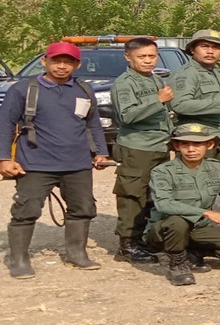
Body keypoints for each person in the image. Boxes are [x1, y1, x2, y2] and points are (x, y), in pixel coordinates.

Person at [1, 42, 111, 278]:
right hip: (35, 163)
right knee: (25, 211)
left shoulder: (83, 89)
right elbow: (5, 125)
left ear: (77, 64)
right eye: (56, 61)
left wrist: (100, 152)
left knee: (83, 209)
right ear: (44, 61)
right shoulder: (22, 89)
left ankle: (76, 254)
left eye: (69, 62)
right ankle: (18, 259)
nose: (62, 66)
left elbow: (93, 123)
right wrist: (3, 159)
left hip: (78, 164)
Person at [145, 123, 220, 285]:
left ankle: (194, 252)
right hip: (165, 231)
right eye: (185, 144)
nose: (191, 149)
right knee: (178, 221)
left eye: (197, 144)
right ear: (176, 146)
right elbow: (164, 204)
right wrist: (206, 213)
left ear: (209, 145)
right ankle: (178, 264)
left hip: (199, 229)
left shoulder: (216, 169)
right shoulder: (163, 171)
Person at [109, 37, 173, 264]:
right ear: (128, 57)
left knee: (153, 196)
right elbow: (127, 116)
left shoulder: (155, 79)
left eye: (152, 56)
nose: (148, 61)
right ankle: (127, 245)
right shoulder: (125, 83)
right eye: (142, 57)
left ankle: (146, 239)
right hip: (137, 148)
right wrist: (158, 100)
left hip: (158, 146)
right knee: (133, 195)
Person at [171, 29, 220, 160]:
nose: (210, 51)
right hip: (196, 140)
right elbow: (180, 104)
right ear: (193, 50)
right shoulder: (187, 73)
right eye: (204, 46)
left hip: (218, 137)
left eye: (216, 47)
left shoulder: (218, 73)